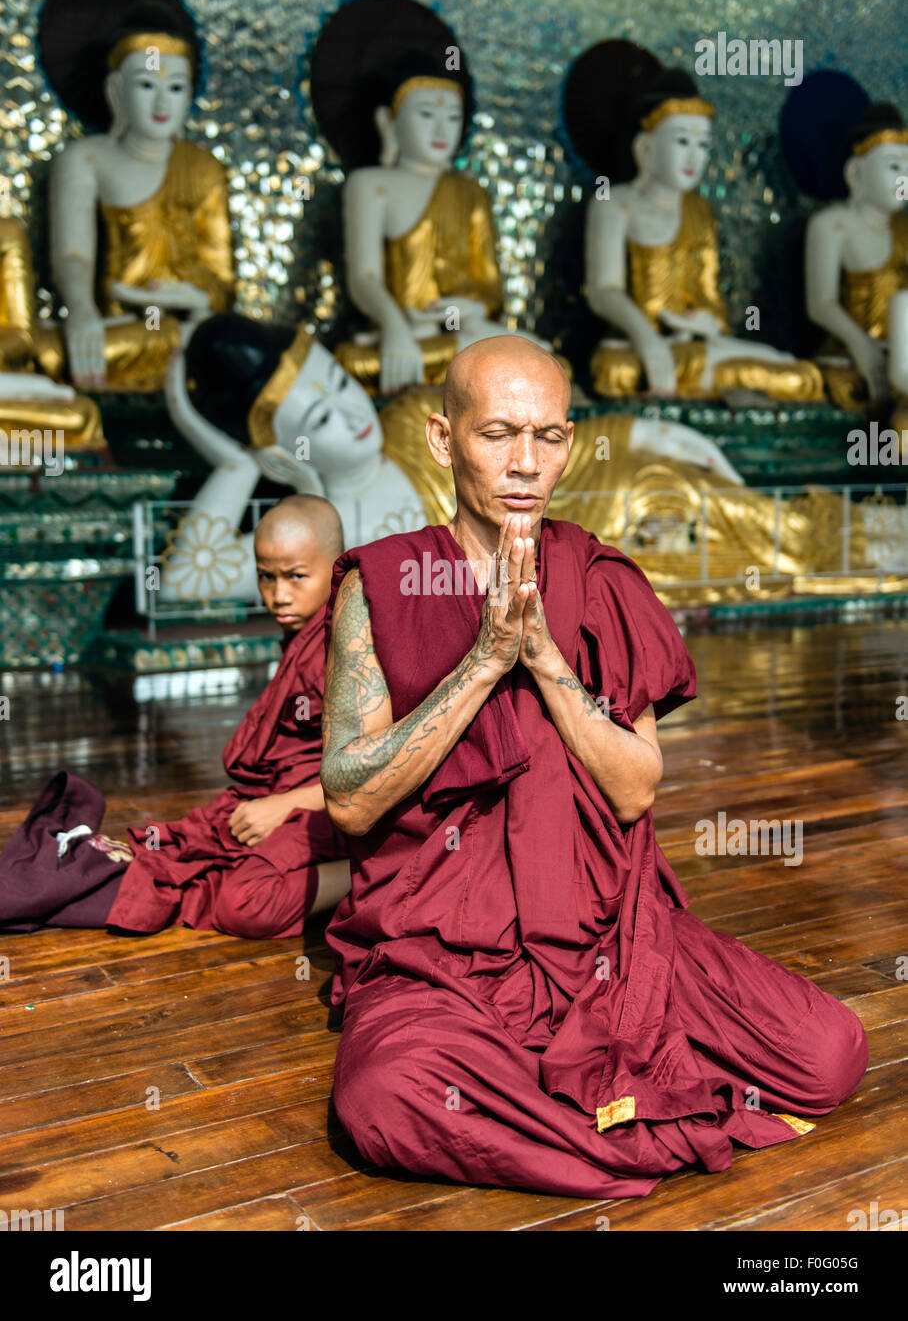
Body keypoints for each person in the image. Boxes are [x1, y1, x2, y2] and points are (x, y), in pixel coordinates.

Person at [319, 335, 868, 1200]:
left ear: (571, 442)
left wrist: (540, 656)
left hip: (607, 942)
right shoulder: (385, 584)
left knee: (830, 1051)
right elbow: (350, 802)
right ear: (441, 438)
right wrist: (482, 662)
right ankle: (625, 1126)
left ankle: (552, 1107)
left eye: (547, 436)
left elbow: (635, 785)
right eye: (498, 434)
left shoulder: (598, 579)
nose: (525, 464)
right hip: (442, 959)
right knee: (383, 1098)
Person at [0, 495, 350, 938]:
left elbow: (376, 768)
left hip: (337, 811)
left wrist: (281, 806)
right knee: (179, 853)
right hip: (282, 798)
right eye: (266, 577)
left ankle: (376, 872)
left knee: (245, 904)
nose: (279, 595)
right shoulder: (303, 633)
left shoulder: (349, 644)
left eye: (297, 577)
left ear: (337, 567)